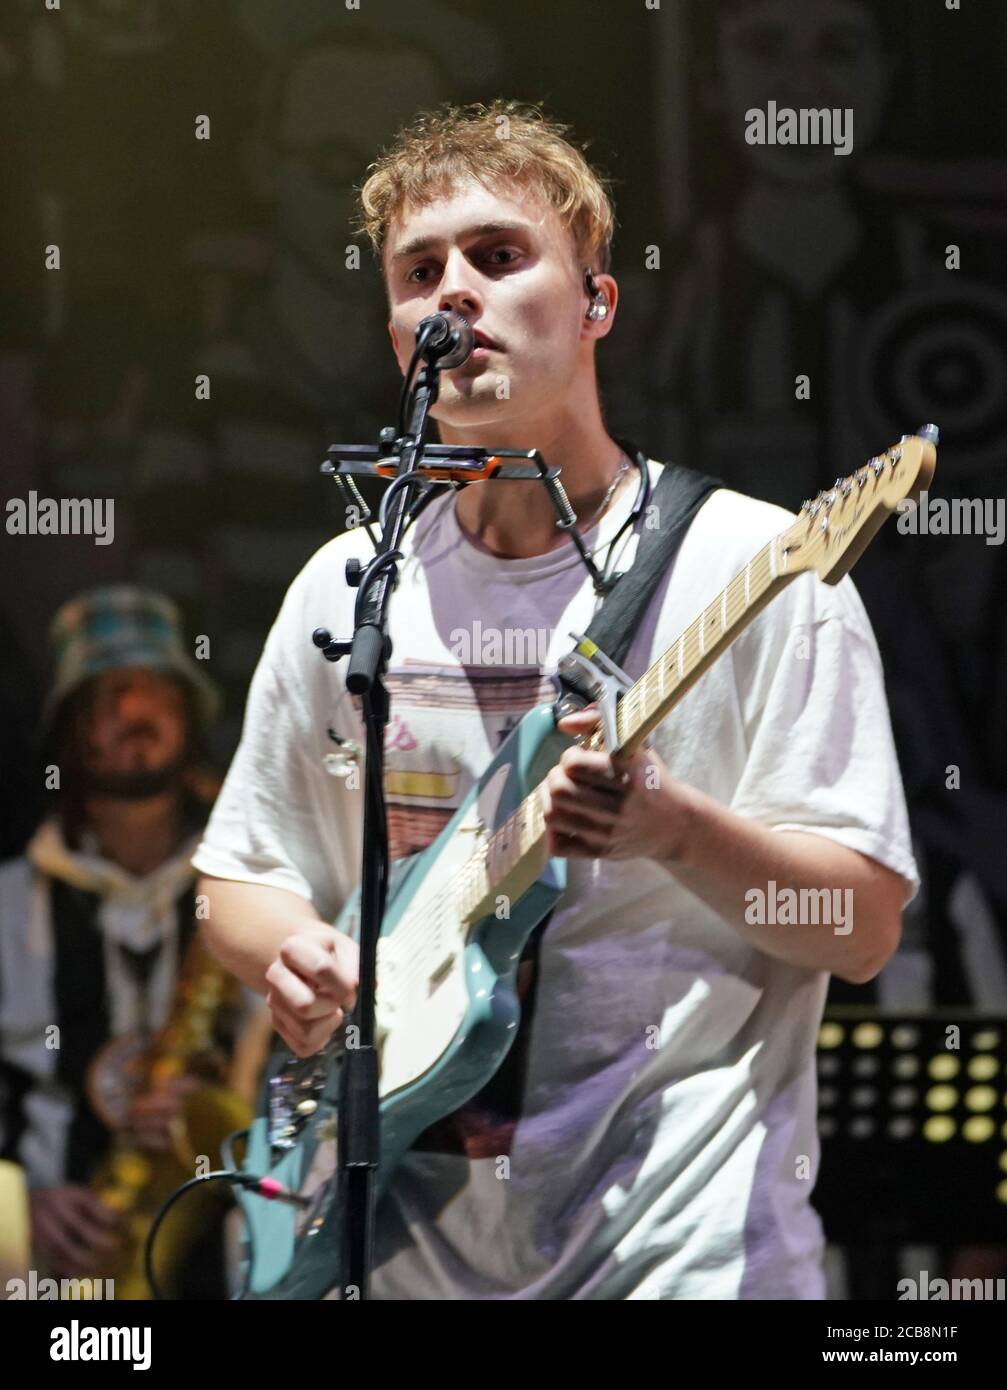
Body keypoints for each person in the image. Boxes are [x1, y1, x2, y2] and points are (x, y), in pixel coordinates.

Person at [194, 100, 919, 1300]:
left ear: (595, 304)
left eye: (497, 255)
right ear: (394, 331)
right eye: (419, 271)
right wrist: (298, 953)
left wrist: (673, 829)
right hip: (407, 1258)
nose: (454, 294)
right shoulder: (348, 583)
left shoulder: (756, 566)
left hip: (682, 1254)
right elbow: (238, 878)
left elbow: (858, 928)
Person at [0, 586, 265, 1289]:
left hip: (229, 1255)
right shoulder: (7, 900)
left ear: (189, 709)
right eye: (107, 693)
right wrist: (17, 1200)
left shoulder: (255, 888)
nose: (132, 712)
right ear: (69, 729)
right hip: (50, 1263)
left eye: (153, 688)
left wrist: (225, 1110)